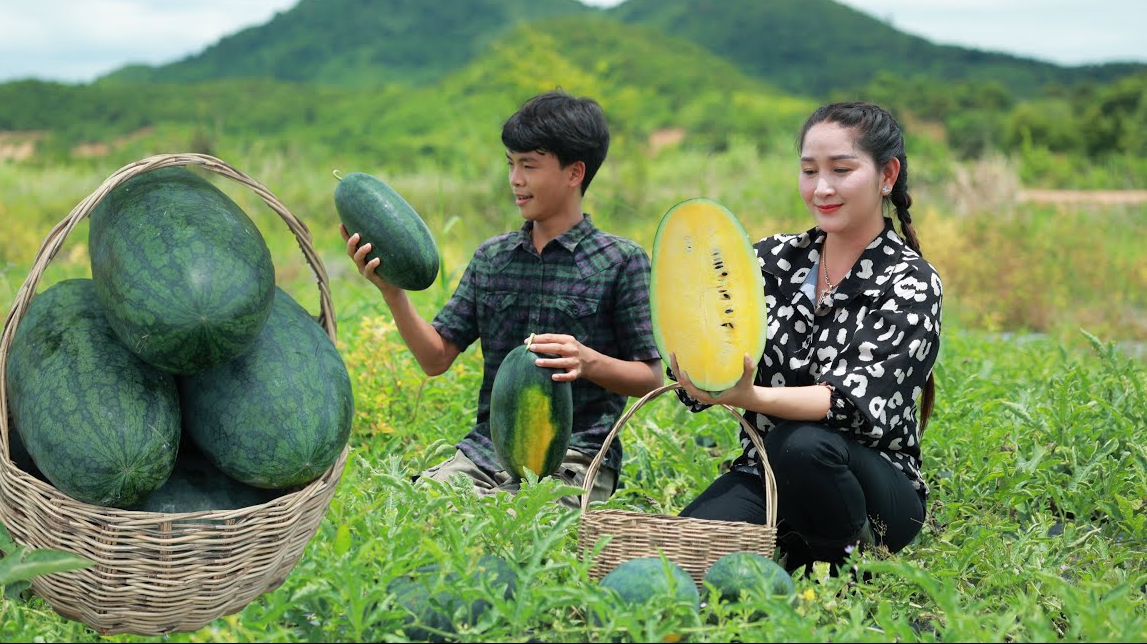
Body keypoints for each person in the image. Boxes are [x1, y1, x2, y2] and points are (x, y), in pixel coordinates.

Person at [341, 89, 663, 507]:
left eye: (529, 166)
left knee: (533, 528)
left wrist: (587, 361)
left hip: (576, 458)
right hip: (484, 455)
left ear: (574, 173)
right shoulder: (492, 258)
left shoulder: (622, 262)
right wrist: (392, 291)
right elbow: (434, 358)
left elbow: (651, 379)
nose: (515, 179)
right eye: (511, 164)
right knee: (418, 511)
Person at [668, 101, 942, 575]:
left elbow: (848, 404)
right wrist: (697, 372)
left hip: (876, 485)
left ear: (887, 175)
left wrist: (751, 395)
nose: (822, 188)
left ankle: (838, 562)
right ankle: (791, 542)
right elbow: (715, 345)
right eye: (809, 170)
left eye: (841, 169)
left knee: (804, 445)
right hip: (768, 472)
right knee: (678, 556)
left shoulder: (912, 283)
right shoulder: (770, 259)